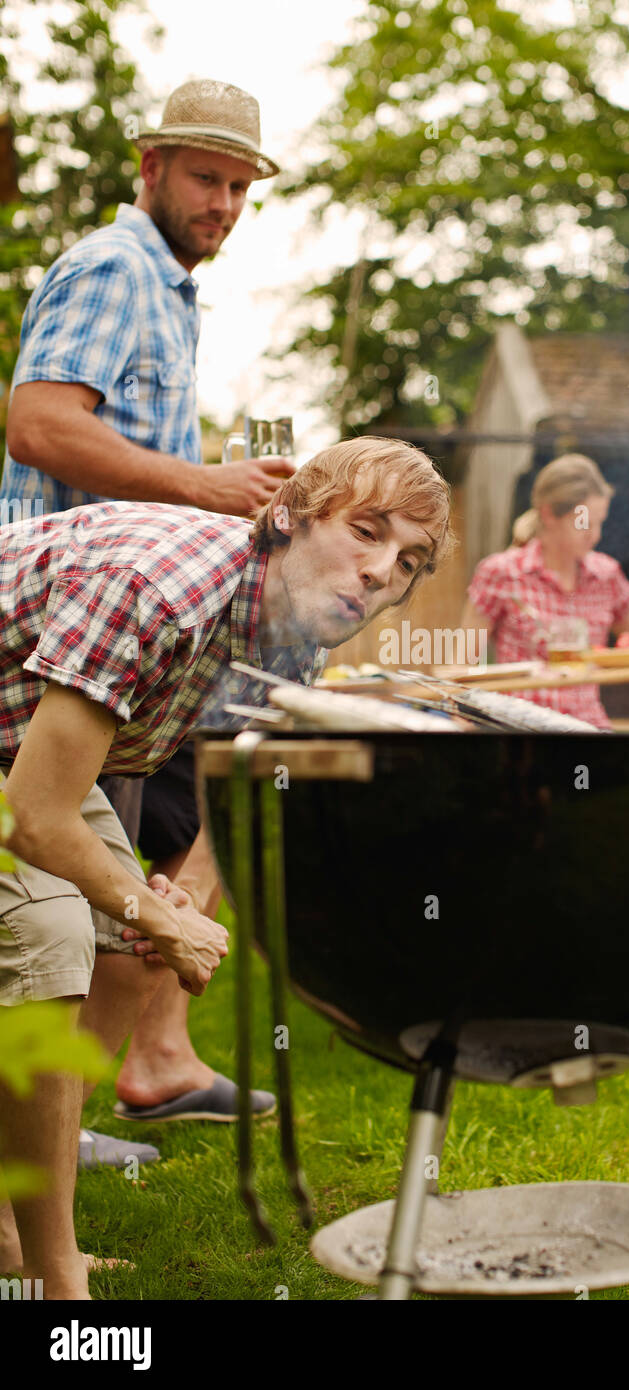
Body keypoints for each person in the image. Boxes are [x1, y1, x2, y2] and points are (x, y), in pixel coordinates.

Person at [0, 435, 453, 1298]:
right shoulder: (159, 588)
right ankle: (52, 1281)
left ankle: (5, 1215)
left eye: (407, 562)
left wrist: (182, 906)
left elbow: (237, 774)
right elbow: (34, 816)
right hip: (23, 765)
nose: (379, 573)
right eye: (365, 532)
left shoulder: (293, 629)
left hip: (20, 741)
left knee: (128, 956)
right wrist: (155, 910)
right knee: (51, 933)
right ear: (287, 517)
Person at [1, 79, 294, 1158]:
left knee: (148, 881)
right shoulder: (112, 264)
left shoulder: (171, 288)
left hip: (141, 640)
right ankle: (48, 1144)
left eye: (238, 185)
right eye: (205, 176)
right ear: (151, 165)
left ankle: (122, 1087)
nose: (222, 201)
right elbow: (35, 425)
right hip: (69, 639)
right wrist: (206, 485)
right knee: (77, 911)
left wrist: (210, 486)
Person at [461, 454, 629, 729]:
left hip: (587, 730)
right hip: (520, 732)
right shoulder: (501, 573)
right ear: (548, 514)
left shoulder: (606, 576)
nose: (595, 535)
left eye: (599, 522)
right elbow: (459, 667)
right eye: (585, 523)